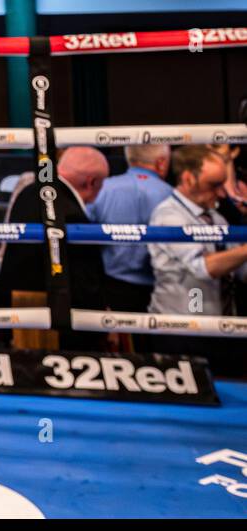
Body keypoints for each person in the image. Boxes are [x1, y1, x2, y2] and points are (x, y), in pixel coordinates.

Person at [147, 146, 247, 372]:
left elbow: (240, 271)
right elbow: (202, 268)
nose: (222, 193)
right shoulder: (168, 216)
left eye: (223, 184)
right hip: (182, 328)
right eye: (214, 185)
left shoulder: (216, 218)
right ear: (188, 178)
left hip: (221, 327)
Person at [0, 146, 108, 342]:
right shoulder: (71, 214)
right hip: (54, 322)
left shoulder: (29, 191)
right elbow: (85, 285)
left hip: (15, 309)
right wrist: (100, 325)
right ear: (92, 182)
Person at [88, 144, 173, 314]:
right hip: (161, 287)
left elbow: (84, 232)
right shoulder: (172, 195)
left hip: (111, 287)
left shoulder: (103, 189)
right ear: (161, 163)